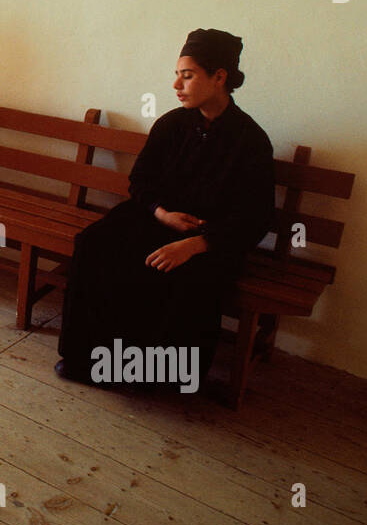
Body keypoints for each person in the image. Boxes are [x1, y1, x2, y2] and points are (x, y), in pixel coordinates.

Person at [55, 28, 275, 390]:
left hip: (212, 240)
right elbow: (140, 182)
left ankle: (154, 378)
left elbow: (255, 216)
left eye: (187, 76)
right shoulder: (172, 125)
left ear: (219, 77)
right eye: (177, 75)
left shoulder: (250, 141)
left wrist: (194, 244)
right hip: (158, 218)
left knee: (179, 275)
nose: (177, 85)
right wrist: (160, 213)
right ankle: (86, 360)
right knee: (95, 245)